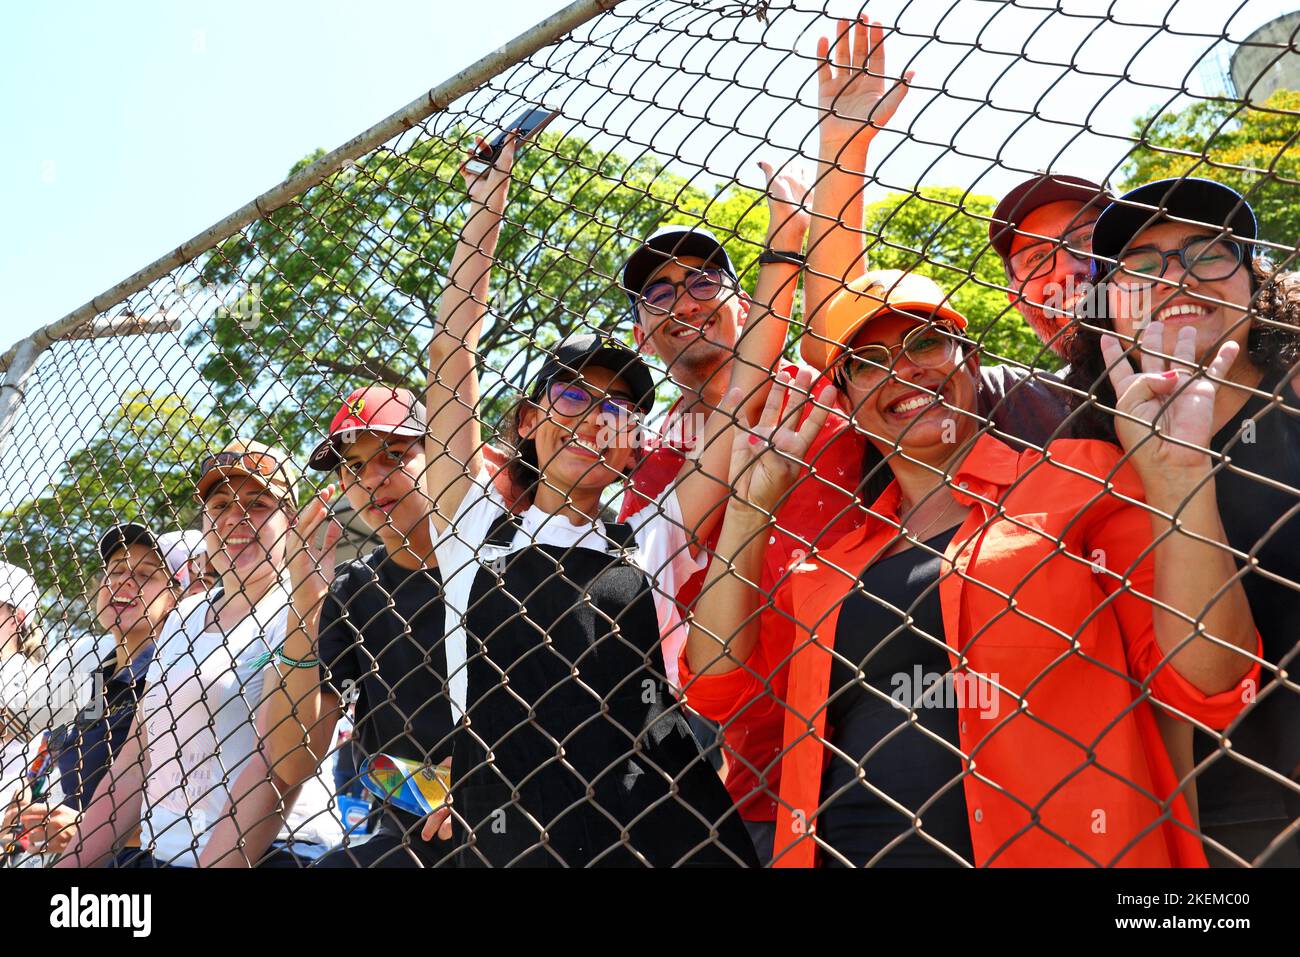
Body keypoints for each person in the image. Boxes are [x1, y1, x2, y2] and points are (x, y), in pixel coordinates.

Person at [685, 267, 1261, 867]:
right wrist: (750, 510)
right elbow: (714, 685)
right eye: (869, 360)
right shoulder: (827, 567)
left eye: (926, 342)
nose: (905, 369)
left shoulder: (1080, 477)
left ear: (970, 360)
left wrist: (1181, 481)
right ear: (847, 403)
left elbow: (1211, 682)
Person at [414, 127, 792, 867]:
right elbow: (449, 351)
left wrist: (783, 249)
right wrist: (486, 210)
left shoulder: (652, 528)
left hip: (662, 832)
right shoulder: (471, 523)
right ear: (527, 419)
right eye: (571, 395)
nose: (594, 418)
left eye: (620, 407)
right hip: (516, 830)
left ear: (635, 440)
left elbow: (747, 381)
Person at [617, 13, 908, 863]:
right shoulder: (646, 451)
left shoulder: (824, 381)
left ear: (747, 301)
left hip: (885, 721)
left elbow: (836, 301)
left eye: (704, 278)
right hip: (743, 760)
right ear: (641, 335)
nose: (685, 301)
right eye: (658, 294)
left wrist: (840, 152)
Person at [1065, 176, 1300, 867]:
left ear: (1254, 283)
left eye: (1208, 252)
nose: (1178, 276)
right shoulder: (1088, 457)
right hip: (1199, 823)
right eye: (1142, 265)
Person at [60, 441, 342, 867]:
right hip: (161, 853)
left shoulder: (305, 605)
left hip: (275, 850)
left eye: (259, 502)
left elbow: (277, 769)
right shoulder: (185, 614)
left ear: (292, 520)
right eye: (220, 503)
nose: (236, 517)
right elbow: (139, 753)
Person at [265, 385, 454, 867]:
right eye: (352, 466)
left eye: (393, 454)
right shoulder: (352, 589)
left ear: (441, 454)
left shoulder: (502, 556)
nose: (372, 477)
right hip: (410, 836)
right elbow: (293, 762)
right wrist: (305, 600)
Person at [16, 524, 199, 860]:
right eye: (114, 571)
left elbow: (197, 806)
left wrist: (90, 828)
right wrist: (31, 809)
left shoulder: (174, 677)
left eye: (145, 575)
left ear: (175, 597)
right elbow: (61, 753)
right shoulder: (95, 675)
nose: (122, 582)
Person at [989, 173, 1112, 358]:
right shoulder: (1027, 387)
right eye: (1037, 258)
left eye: (1087, 238)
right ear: (1016, 299)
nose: (1067, 270)